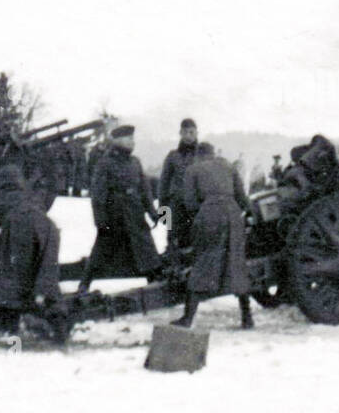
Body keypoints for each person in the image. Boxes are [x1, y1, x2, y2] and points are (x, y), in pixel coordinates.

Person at [0, 165, 61, 347]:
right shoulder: (31, 195)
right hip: (48, 231)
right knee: (44, 279)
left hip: (16, 232)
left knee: (2, 285)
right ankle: (58, 326)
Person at [173, 142, 253, 329]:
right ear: (213, 153)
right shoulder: (228, 166)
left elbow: (190, 202)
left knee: (203, 264)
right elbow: (242, 198)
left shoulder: (193, 169)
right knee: (237, 265)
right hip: (233, 216)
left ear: (198, 155)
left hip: (210, 215)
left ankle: (187, 318)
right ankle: (247, 318)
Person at [77, 124, 160, 293]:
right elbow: (98, 195)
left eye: (133, 138)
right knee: (101, 250)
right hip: (114, 217)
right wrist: (101, 221)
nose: (132, 142)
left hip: (135, 215)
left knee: (147, 249)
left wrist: (153, 214)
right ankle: (84, 284)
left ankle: (155, 284)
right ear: (117, 140)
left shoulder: (135, 162)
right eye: (128, 138)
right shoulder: (105, 163)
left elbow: (145, 191)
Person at [158, 118, 199, 261]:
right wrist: (163, 211)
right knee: (173, 239)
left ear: (197, 133)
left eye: (192, 132)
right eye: (185, 132)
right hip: (175, 206)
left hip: (196, 206)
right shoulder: (172, 156)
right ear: (180, 133)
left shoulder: (202, 156)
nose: (189, 135)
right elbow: (163, 184)